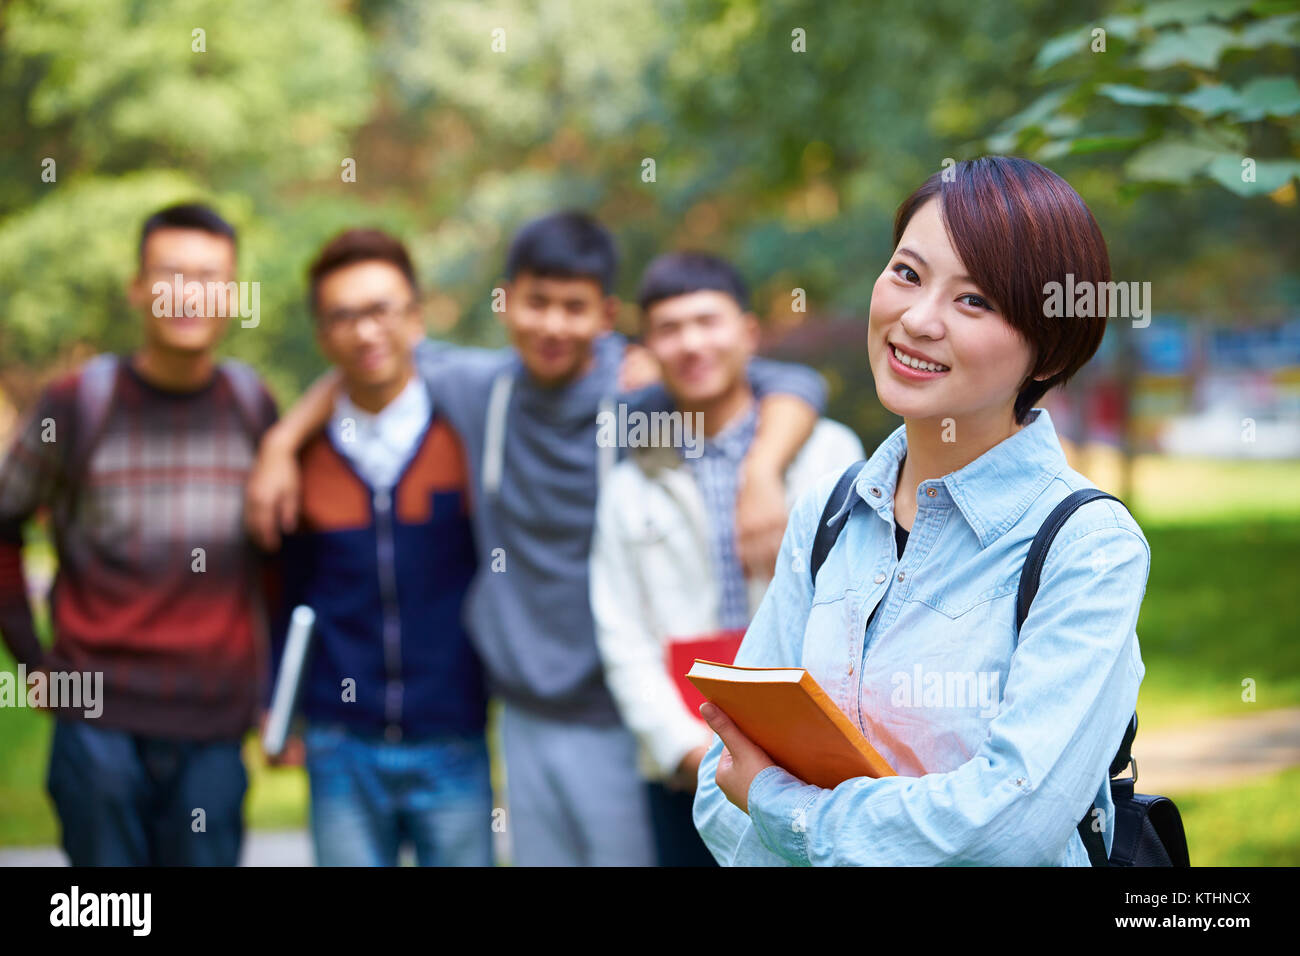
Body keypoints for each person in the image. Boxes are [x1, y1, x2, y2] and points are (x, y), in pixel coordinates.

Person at [246, 211, 830, 866]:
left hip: (619, 712)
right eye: (537, 304)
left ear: (606, 315)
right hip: (521, 713)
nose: (552, 326)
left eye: (574, 308)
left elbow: (786, 381)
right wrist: (280, 439)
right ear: (507, 304)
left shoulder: (639, 402)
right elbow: (367, 359)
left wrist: (761, 470)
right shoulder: (481, 389)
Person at [693, 156, 1149, 866]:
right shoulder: (830, 512)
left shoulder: (1087, 547)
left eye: (974, 301)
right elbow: (720, 783)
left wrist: (786, 808)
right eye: (907, 273)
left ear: (1048, 349)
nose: (917, 319)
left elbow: (1007, 827)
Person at [0, 203, 278, 866]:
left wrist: (276, 693)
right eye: (170, 273)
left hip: (214, 726)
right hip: (96, 723)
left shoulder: (253, 405)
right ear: (137, 289)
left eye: (209, 276)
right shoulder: (77, 402)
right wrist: (30, 661)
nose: (189, 293)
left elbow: (275, 562)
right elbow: (4, 521)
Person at [589, 252, 863, 866]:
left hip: (811, 759)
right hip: (684, 764)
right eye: (669, 328)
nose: (691, 343)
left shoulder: (828, 453)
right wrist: (687, 754)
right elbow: (621, 634)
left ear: (748, 333)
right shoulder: (632, 480)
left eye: (707, 321)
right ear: (648, 350)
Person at [267, 229, 491, 866]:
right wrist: (276, 708)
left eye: (380, 311)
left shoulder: (466, 432)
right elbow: (284, 593)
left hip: (453, 737)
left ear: (415, 318)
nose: (365, 333)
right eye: (343, 317)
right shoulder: (304, 458)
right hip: (340, 745)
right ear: (321, 335)